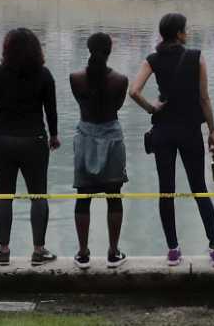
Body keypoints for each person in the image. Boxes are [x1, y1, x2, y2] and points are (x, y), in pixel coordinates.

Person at [128, 13, 214, 268]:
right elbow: (204, 98)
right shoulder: (196, 57)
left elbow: (133, 91)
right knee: (199, 188)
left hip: (163, 131)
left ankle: (173, 250)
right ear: (180, 33)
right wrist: (212, 131)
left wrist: (152, 108)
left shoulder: (152, 59)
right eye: (186, 29)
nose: (188, 33)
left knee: (166, 190)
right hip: (190, 129)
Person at [0, 28, 59, 266]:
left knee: (4, 195)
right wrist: (54, 136)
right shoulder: (44, 75)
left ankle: (3, 250)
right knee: (38, 195)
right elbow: (51, 110)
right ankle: (39, 250)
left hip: (1, 138)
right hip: (33, 139)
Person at [67, 32, 128, 268]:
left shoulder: (75, 78)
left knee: (83, 196)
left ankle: (83, 253)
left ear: (88, 48)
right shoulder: (120, 81)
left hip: (85, 137)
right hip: (112, 136)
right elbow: (118, 106)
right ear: (110, 51)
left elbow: (81, 103)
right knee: (114, 196)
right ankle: (113, 252)